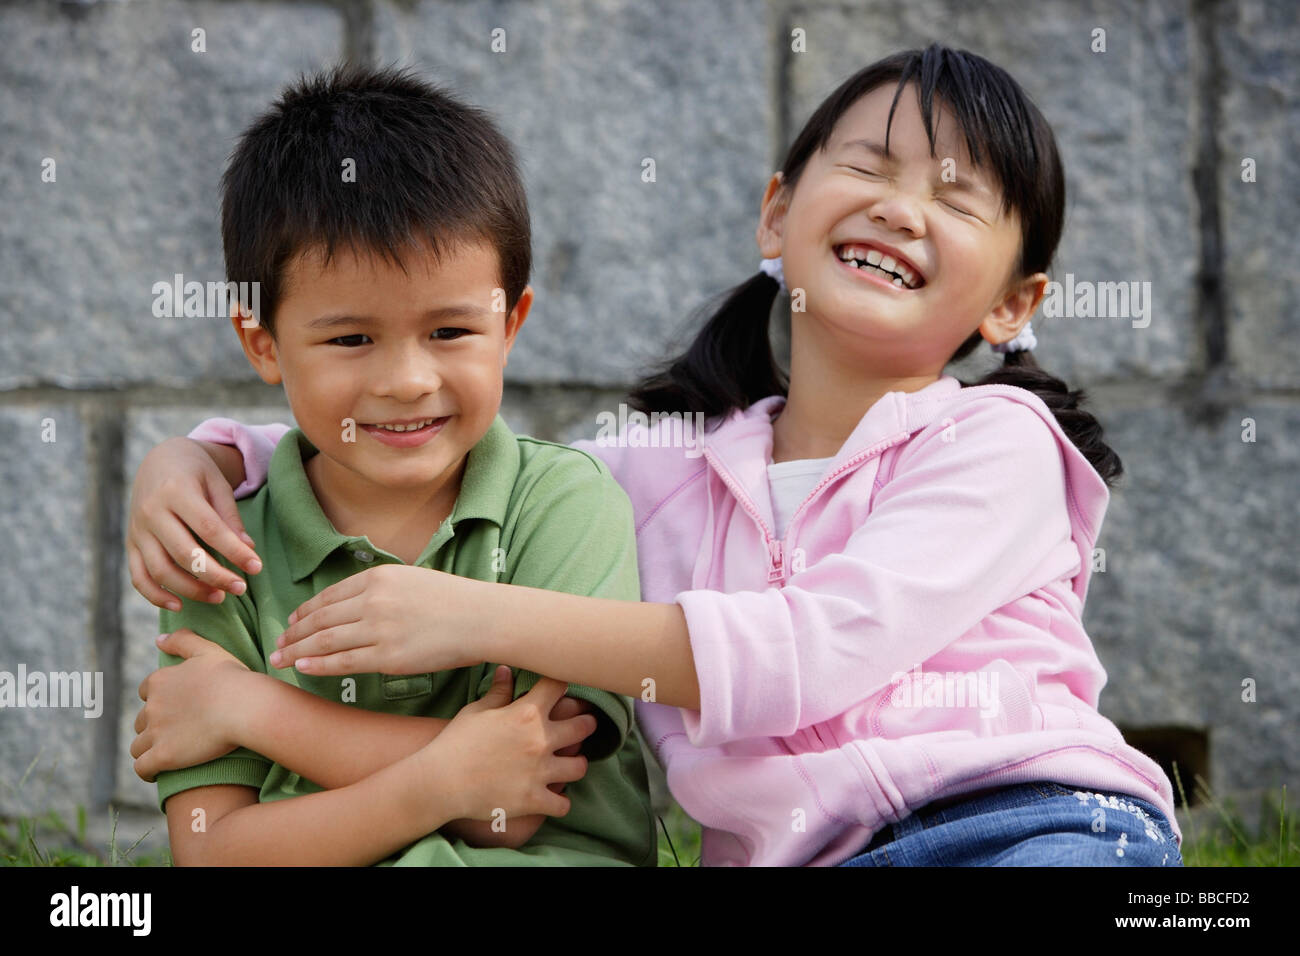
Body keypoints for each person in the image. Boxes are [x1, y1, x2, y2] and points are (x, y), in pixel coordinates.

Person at [128, 45, 1182, 866]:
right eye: (867, 164)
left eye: (958, 197)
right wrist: (200, 460)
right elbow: (449, 449)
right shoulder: (659, 465)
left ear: (1012, 303)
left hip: (1022, 821)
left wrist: (464, 613)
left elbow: (808, 654)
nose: (901, 206)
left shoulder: (998, 445)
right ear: (777, 215)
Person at [126, 63, 656, 866]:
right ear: (262, 344)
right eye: (350, 339)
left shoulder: (562, 503)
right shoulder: (218, 546)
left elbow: (519, 798)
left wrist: (253, 711)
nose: (407, 380)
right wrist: (450, 774)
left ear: (510, 324)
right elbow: (213, 851)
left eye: (450, 332)